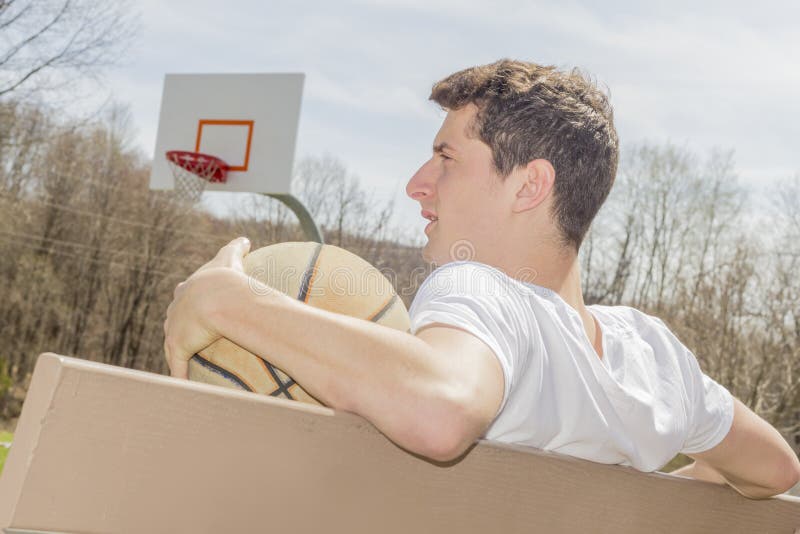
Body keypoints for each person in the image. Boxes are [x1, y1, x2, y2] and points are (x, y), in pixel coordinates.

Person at [164, 59, 800, 499]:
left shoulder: (482, 291)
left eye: (446, 157)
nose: (417, 182)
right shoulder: (655, 355)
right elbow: (773, 468)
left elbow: (440, 411)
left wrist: (231, 301)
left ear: (530, 186)